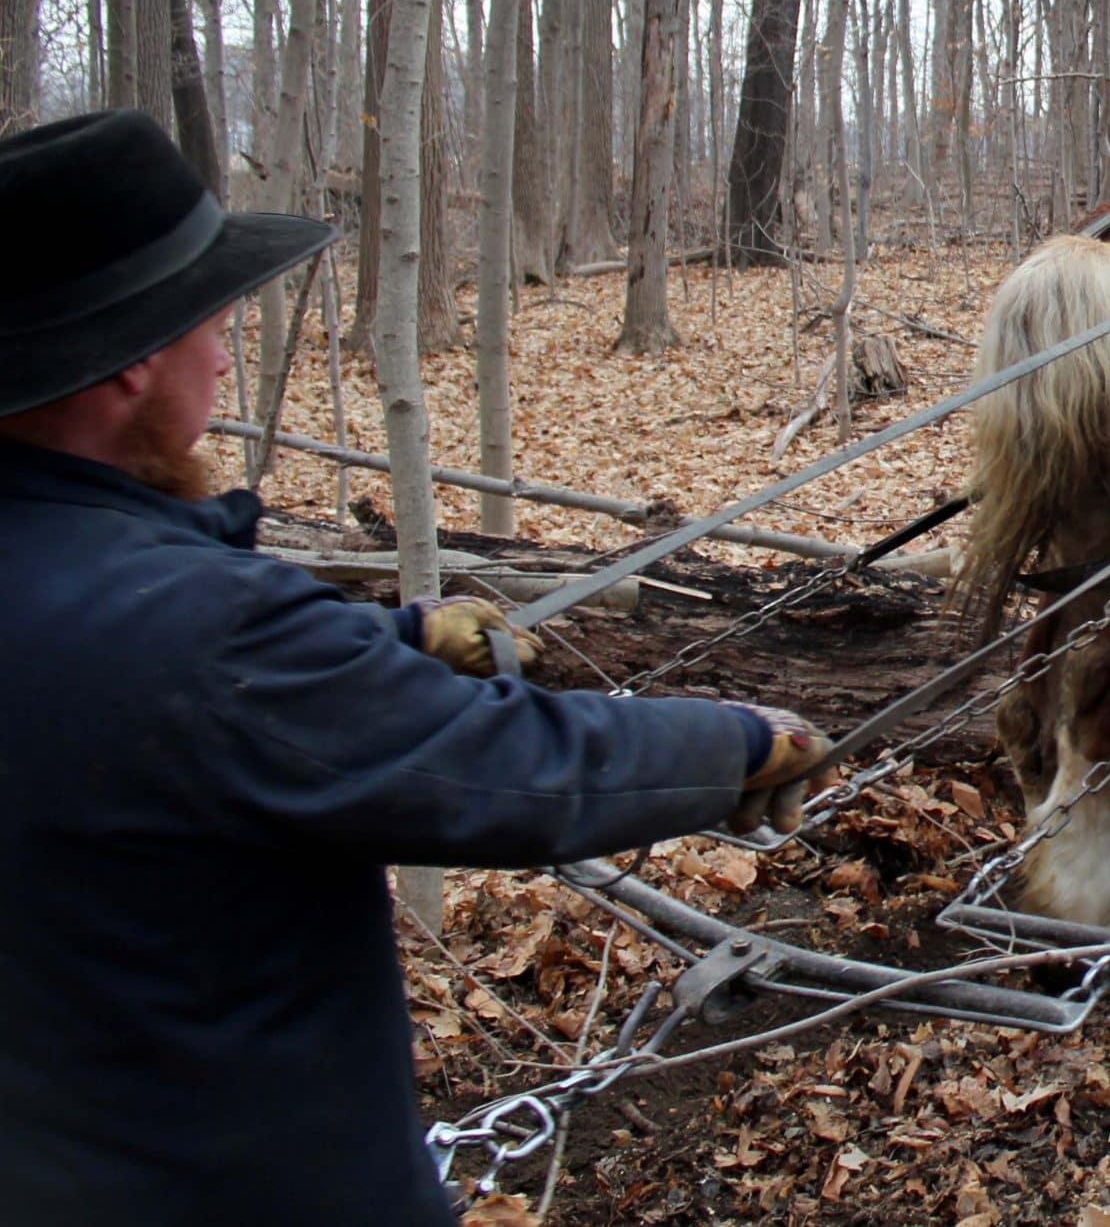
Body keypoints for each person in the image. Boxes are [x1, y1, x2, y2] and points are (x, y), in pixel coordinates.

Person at [0, 111, 838, 1224]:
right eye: (213, 323)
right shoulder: (199, 629)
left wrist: (392, 643)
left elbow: (156, 718)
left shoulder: (109, 598)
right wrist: (733, 743)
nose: (222, 351)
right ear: (131, 366)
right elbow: (498, 767)